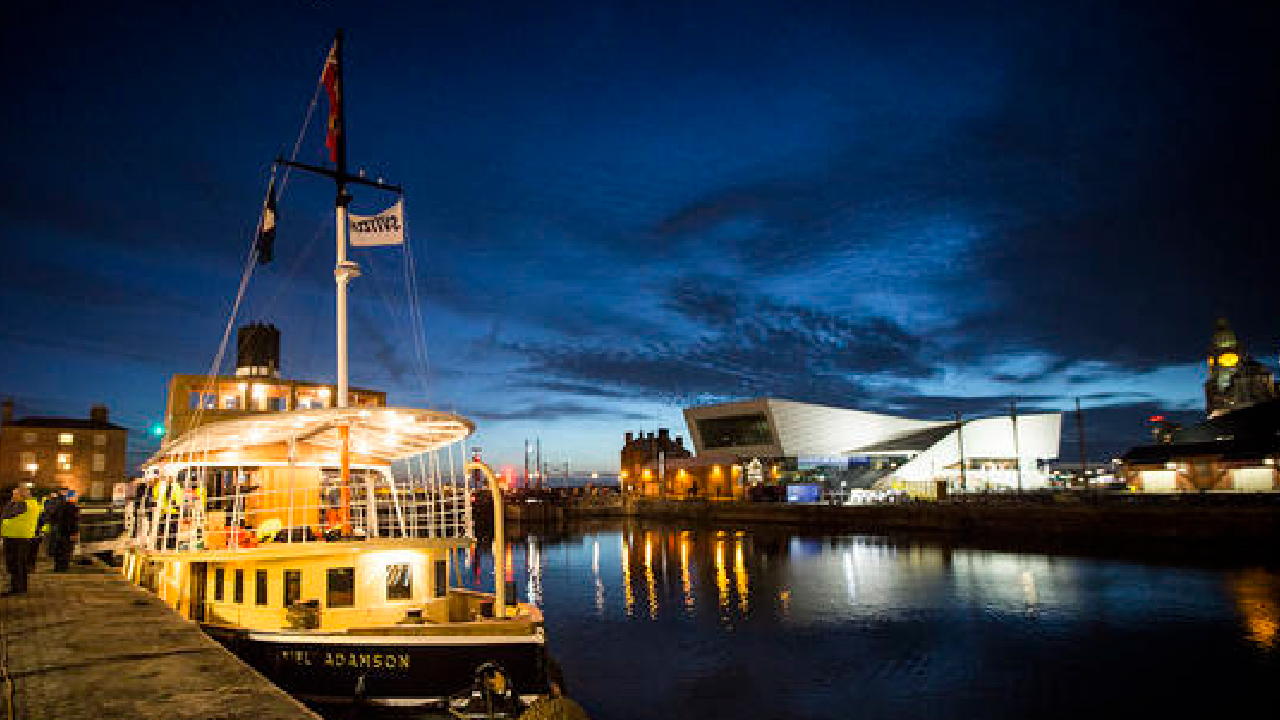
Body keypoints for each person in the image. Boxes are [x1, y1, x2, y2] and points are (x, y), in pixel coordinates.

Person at [1, 486, 43, 595]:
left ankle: (16, 588)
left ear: (22, 495)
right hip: (23, 536)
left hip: (15, 537)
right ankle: (22, 586)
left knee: (14, 563)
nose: (13, 497)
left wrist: (10, 503)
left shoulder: (23, 504)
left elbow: (6, 514)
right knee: (22, 563)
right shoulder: (33, 504)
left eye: (15, 494)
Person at [45, 490, 80, 572]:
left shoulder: (60, 506)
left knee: (59, 549)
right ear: (72, 497)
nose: (77, 498)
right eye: (76, 497)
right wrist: (75, 533)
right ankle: (63, 567)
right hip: (68, 533)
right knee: (66, 550)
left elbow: (52, 516)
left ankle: (58, 566)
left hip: (60, 531)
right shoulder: (73, 507)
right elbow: (73, 521)